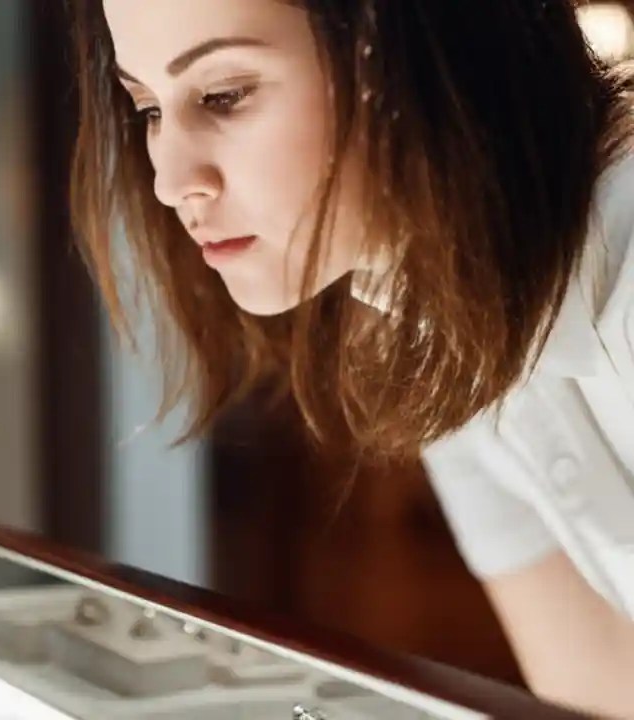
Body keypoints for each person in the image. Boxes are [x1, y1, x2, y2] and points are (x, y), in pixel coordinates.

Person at [71, 0, 634, 715]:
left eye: (224, 95)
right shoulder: (439, 329)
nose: (170, 179)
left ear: (420, 53)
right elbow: (597, 683)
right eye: (148, 108)